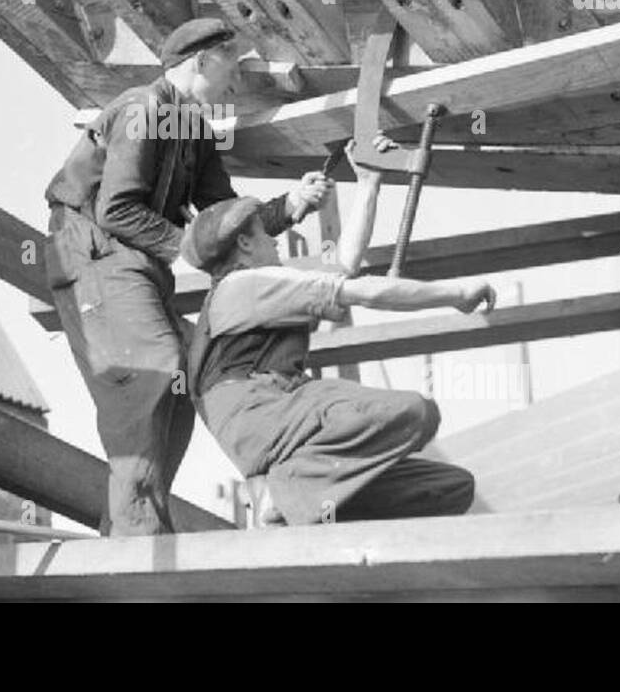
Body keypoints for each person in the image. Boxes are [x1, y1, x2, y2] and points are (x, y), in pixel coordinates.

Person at [44, 18, 332, 536]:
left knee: (184, 380)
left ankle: (130, 531)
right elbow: (117, 210)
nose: (237, 85)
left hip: (138, 266)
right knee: (153, 374)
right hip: (95, 259)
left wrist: (288, 206)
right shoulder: (144, 109)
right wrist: (190, 247)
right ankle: (138, 540)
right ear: (201, 62)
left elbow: (225, 219)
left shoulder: (194, 128)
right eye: (232, 68)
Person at [181, 136, 497, 527]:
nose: (273, 239)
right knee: (413, 413)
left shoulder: (261, 287)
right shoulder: (243, 287)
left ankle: (313, 509)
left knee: (448, 486)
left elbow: (345, 265)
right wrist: (456, 293)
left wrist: (368, 184)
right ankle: (281, 496)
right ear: (244, 243)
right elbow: (362, 291)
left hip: (278, 415)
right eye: (265, 233)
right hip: (260, 412)